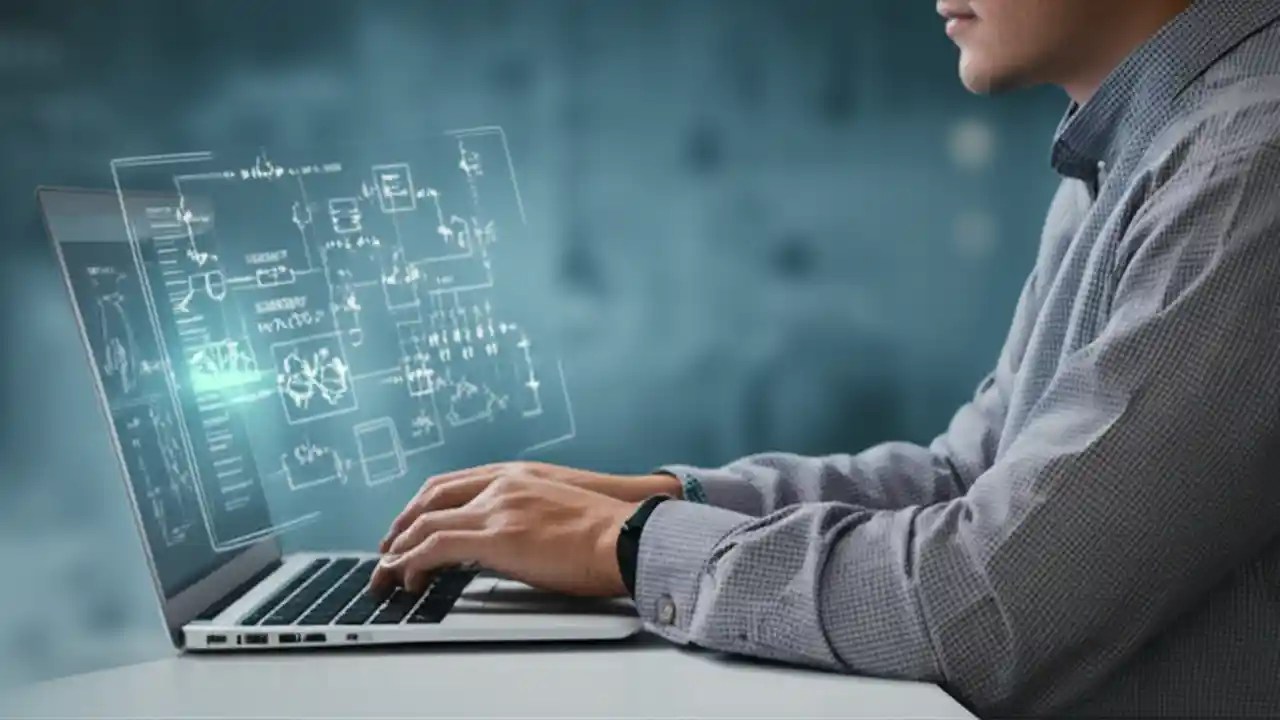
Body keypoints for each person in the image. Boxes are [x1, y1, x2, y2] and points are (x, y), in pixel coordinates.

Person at [371, 1, 1280, 716]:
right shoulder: (1143, 149)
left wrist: (628, 547)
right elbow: (969, 475)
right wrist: (650, 501)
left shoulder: (1245, 170)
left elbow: (991, 603)